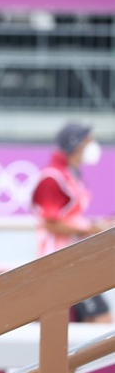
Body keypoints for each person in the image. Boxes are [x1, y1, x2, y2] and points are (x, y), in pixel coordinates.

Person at [31, 122, 112, 324]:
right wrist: (91, 228)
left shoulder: (69, 175)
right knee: (99, 319)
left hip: (71, 258)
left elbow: (68, 218)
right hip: (59, 261)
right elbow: (50, 222)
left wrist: (96, 226)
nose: (94, 146)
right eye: (89, 141)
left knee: (81, 322)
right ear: (76, 145)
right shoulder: (52, 177)